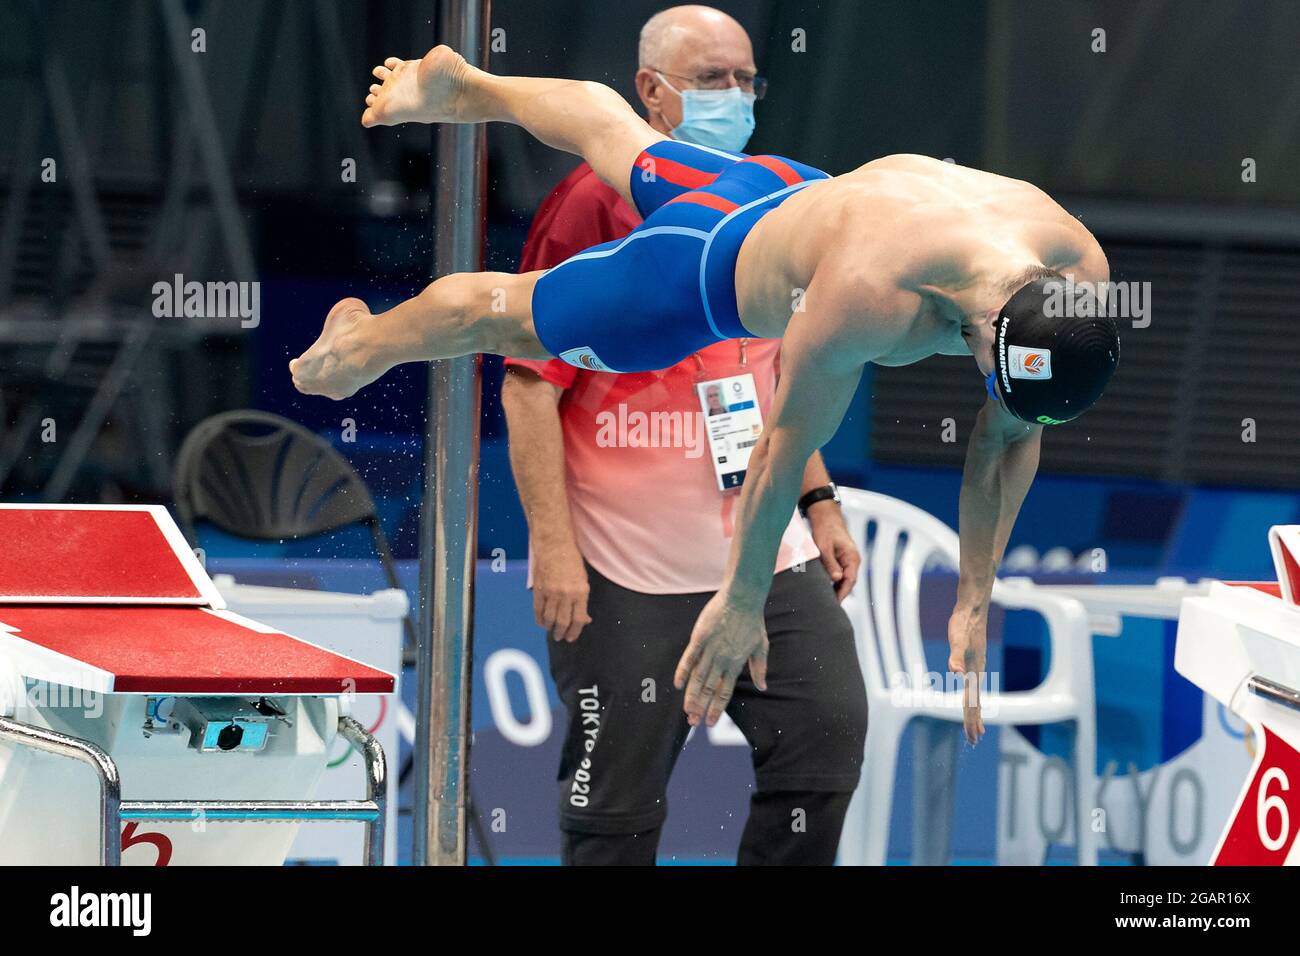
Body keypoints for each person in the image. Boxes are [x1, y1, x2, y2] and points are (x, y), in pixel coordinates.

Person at [290, 42, 1121, 745]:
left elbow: (1011, 433)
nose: (987, 394)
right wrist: (742, 600)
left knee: (616, 134)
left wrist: (975, 594)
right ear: (986, 328)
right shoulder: (870, 298)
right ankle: (361, 346)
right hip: (704, 265)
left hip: (787, 185)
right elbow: (778, 449)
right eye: (987, 372)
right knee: (506, 316)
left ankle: (468, 87)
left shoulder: (1076, 266)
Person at [501, 6, 867, 866]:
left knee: (827, 731)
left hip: (759, 559)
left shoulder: (782, 202)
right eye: (711, 80)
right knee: (614, 808)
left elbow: (774, 384)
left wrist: (818, 500)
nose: (734, 97)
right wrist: (553, 550)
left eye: (746, 80)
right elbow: (527, 388)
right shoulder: (592, 203)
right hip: (626, 572)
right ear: (649, 93)